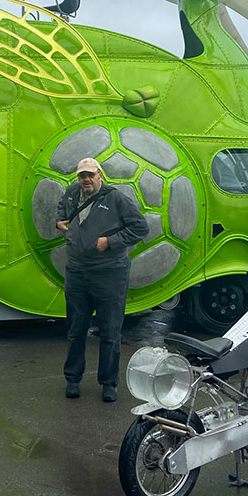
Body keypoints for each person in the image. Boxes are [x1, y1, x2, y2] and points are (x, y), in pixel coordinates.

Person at [55, 157, 148, 403]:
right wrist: (60, 222)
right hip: (76, 271)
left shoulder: (116, 198)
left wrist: (111, 242)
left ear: (100, 176)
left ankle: (109, 383)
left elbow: (140, 227)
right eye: (82, 175)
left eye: (90, 175)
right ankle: (72, 379)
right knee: (75, 329)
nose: (86, 180)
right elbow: (62, 209)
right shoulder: (73, 192)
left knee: (110, 331)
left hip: (110, 273)